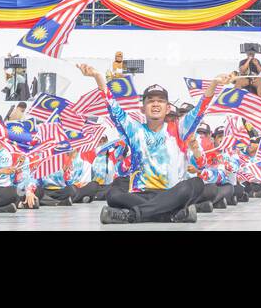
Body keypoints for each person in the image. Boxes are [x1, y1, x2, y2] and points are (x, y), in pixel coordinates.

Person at [77, 63, 231, 224]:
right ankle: (172, 215)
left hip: (171, 193)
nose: (156, 104)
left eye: (161, 101)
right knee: (113, 194)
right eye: (150, 101)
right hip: (141, 194)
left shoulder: (178, 129)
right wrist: (99, 78)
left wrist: (214, 83)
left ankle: (132, 216)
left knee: (195, 184)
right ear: (143, 108)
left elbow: (200, 110)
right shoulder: (134, 129)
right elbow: (113, 108)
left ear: (167, 108)